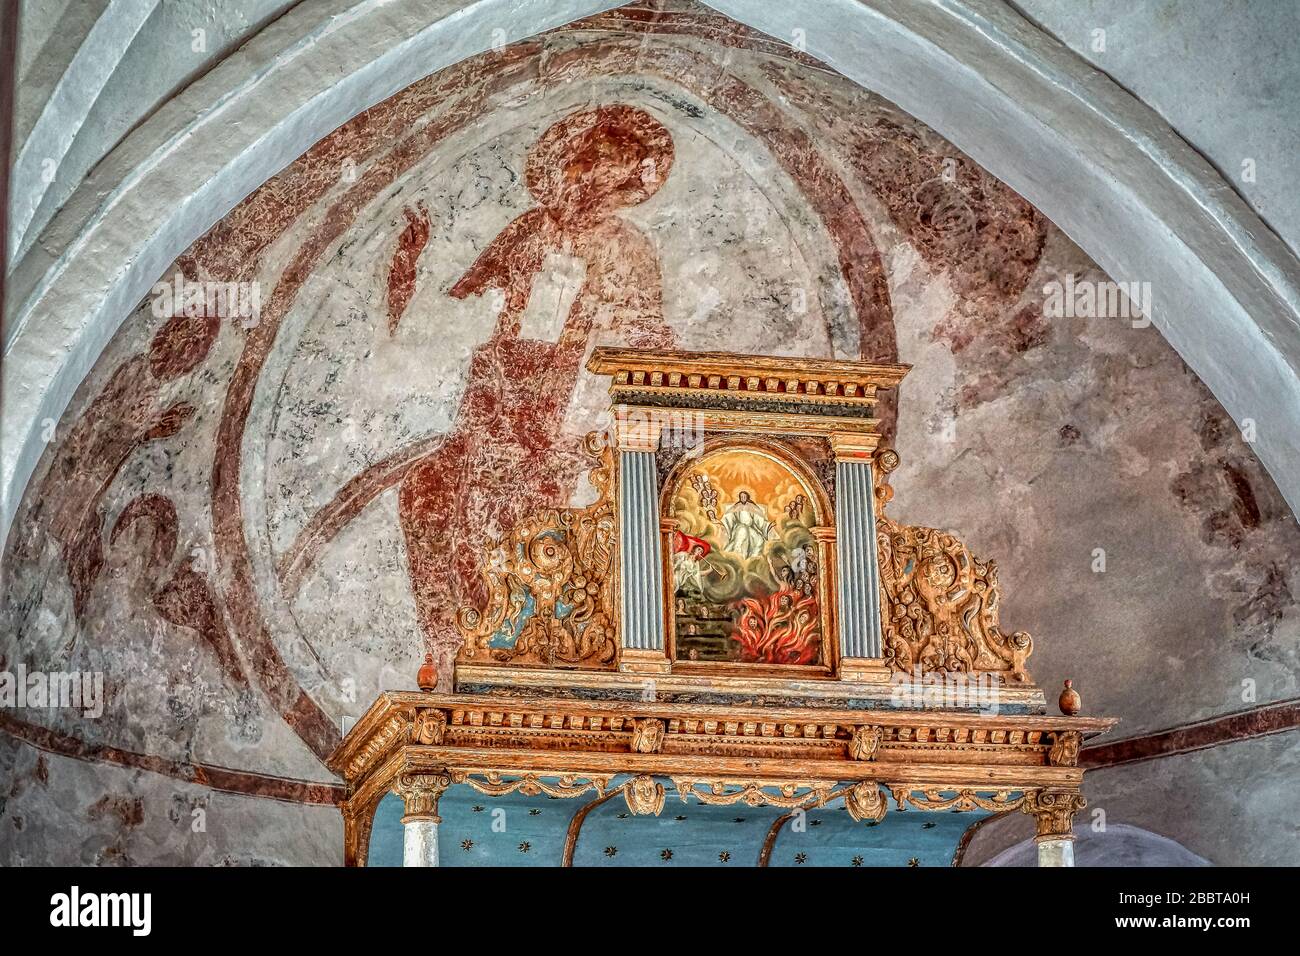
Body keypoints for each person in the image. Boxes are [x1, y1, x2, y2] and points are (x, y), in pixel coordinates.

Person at [721, 491, 773, 559]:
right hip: (740, 527)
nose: (743, 498)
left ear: (747, 497)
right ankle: (738, 557)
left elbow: (759, 520)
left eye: (744, 497)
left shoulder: (752, 507)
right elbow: (729, 518)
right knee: (742, 535)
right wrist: (723, 525)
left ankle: (753, 559)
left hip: (750, 528)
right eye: (741, 497)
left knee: (759, 540)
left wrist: (767, 526)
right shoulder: (736, 507)